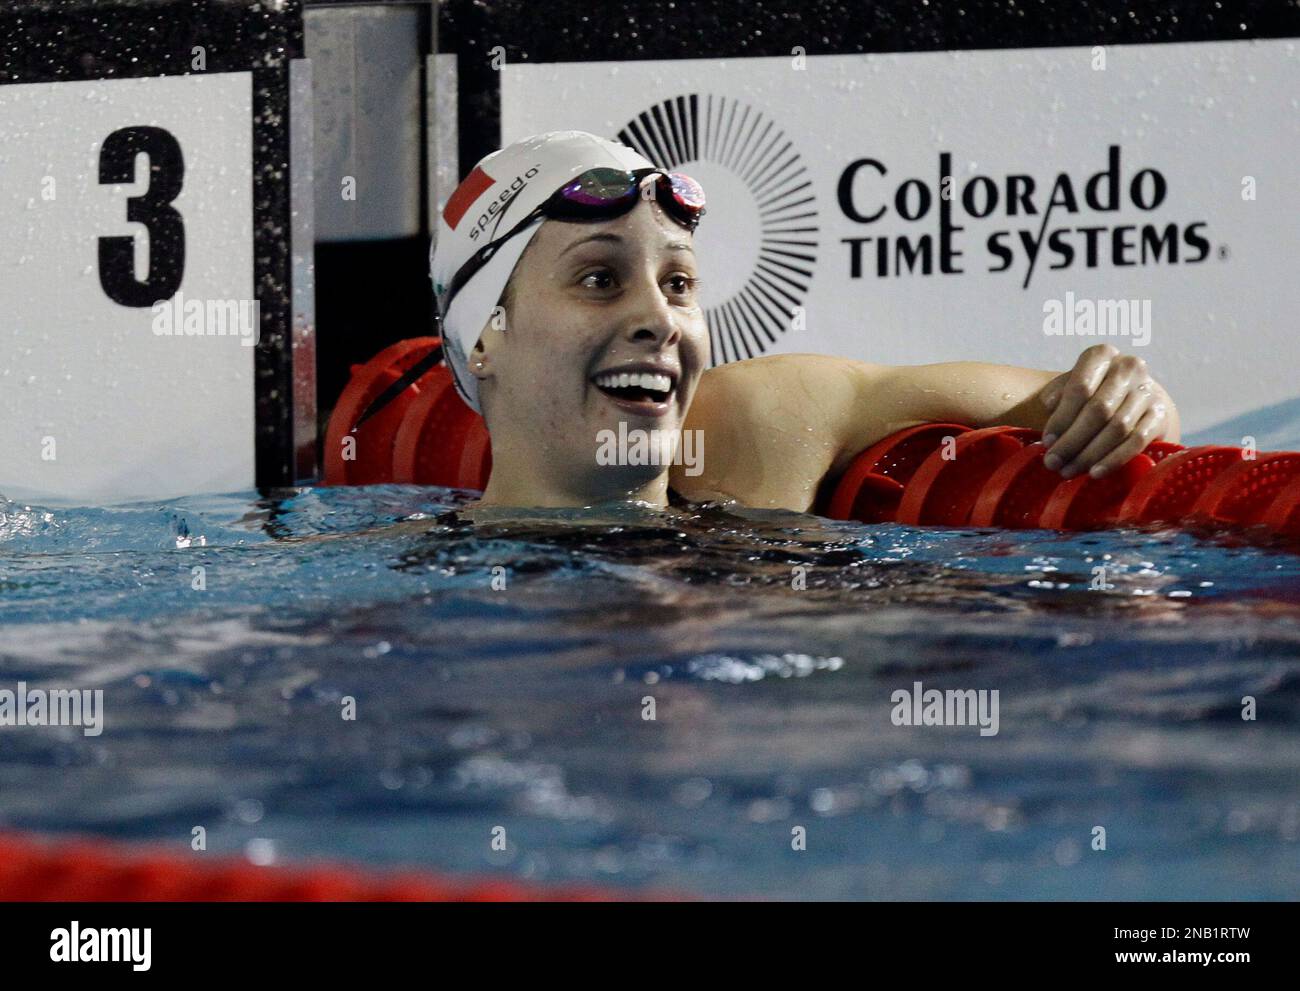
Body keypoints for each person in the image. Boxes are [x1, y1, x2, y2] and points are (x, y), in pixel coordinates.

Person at [430, 131, 1179, 512]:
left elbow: (1072, 402)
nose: (658, 318)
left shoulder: (767, 425)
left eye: (680, 282)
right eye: (600, 279)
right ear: (484, 337)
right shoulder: (419, 599)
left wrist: (1129, 396)